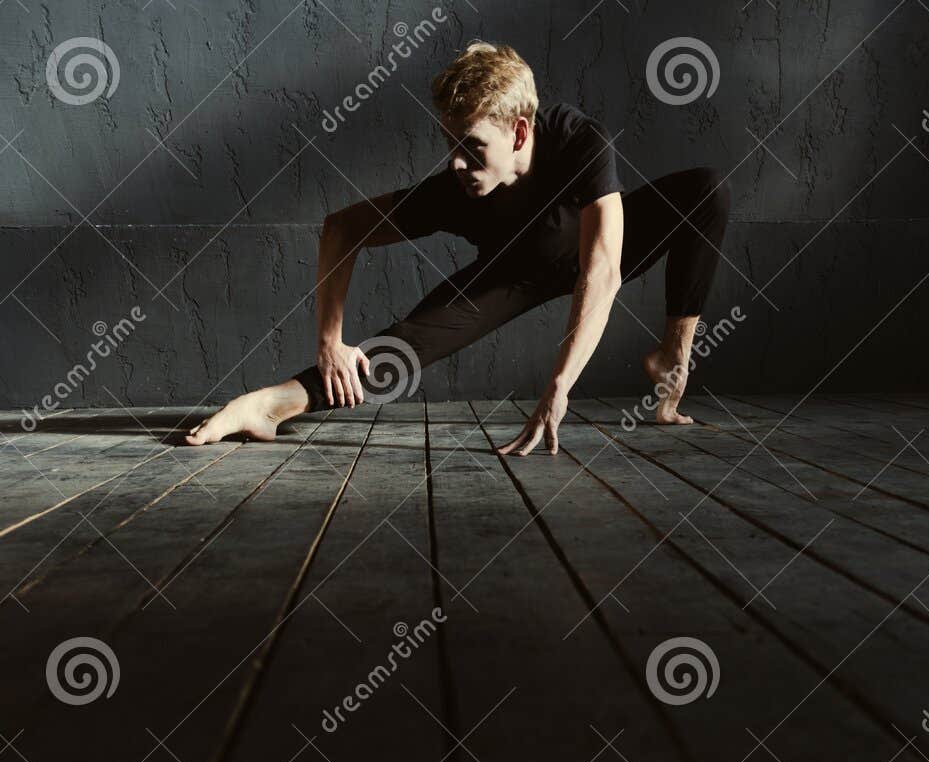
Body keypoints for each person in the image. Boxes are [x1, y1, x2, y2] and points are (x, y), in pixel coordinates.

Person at [184, 41, 730, 456]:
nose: (457, 163)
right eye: (450, 143)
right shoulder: (457, 190)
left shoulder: (577, 140)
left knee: (705, 190)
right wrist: (331, 341)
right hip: (511, 278)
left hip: (595, 251)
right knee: (400, 352)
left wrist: (560, 385)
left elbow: (603, 269)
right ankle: (268, 406)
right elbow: (342, 228)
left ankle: (672, 358)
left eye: (472, 146)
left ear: (520, 133)